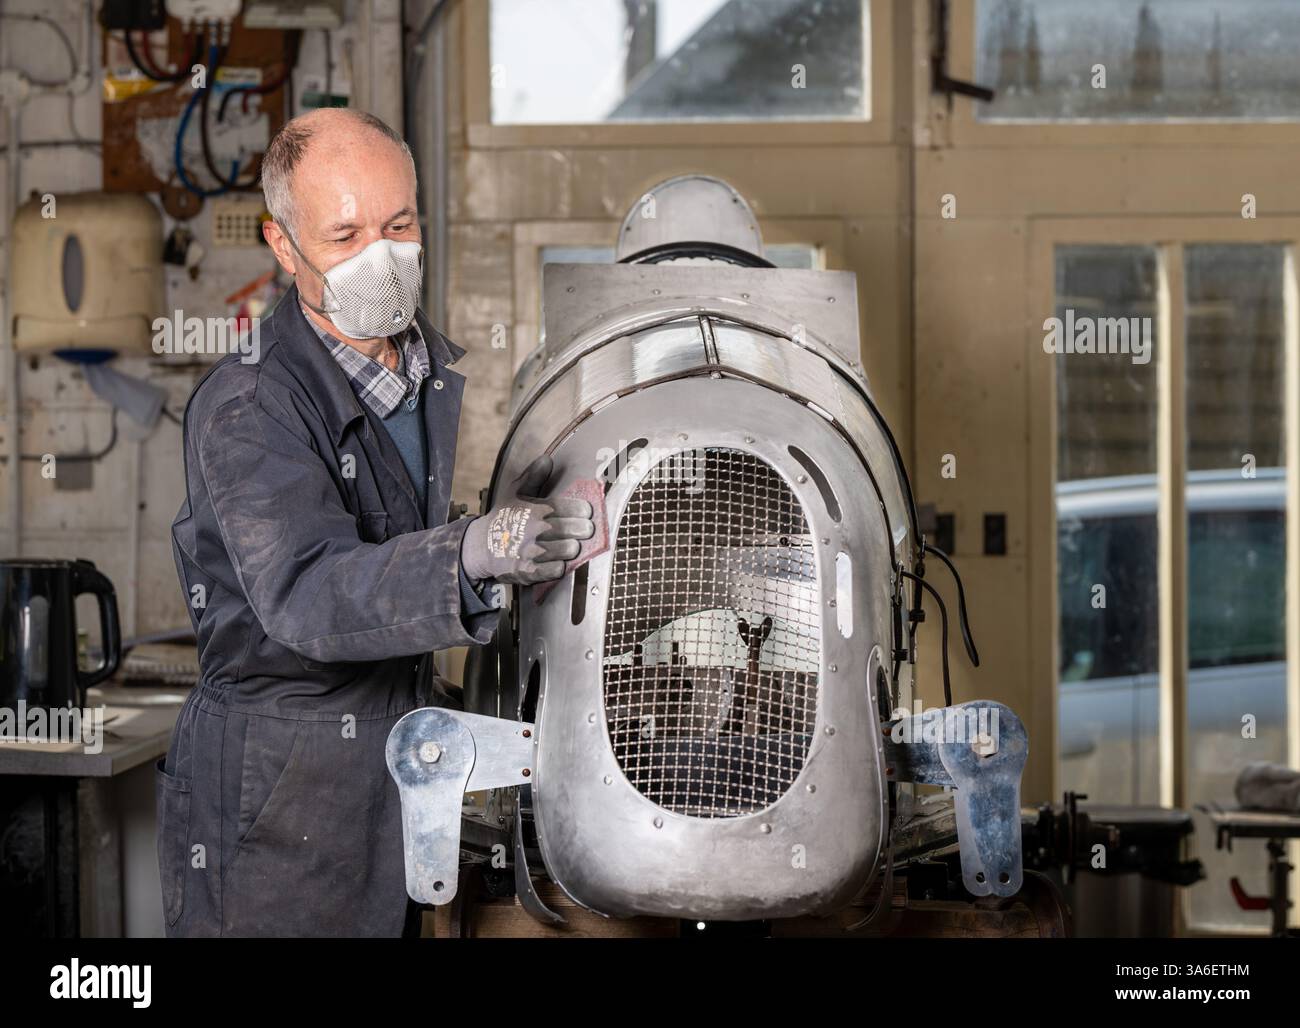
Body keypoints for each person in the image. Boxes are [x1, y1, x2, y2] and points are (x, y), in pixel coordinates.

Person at [157, 108, 592, 937]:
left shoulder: (414, 368)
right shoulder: (251, 403)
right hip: (279, 790)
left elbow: (392, 544)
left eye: (399, 224)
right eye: (344, 235)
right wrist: (471, 551)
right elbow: (308, 592)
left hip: (390, 766)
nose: (381, 257)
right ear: (284, 247)